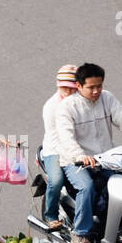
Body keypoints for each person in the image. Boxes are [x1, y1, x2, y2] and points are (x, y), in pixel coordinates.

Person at [54, 62, 122, 243]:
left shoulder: (107, 98)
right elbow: (66, 138)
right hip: (74, 162)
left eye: (99, 86)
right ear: (79, 86)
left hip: (106, 159)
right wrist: (80, 156)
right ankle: (80, 232)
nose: (96, 91)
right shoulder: (67, 107)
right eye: (91, 87)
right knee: (87, 187)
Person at [40, 64, 76, 231]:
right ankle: (51, 215)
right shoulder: (51, 107)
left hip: (76, 149)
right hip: (54, 151)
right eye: (64, 87)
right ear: (58, 85)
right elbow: (55, 138)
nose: (68, 91)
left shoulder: (80, 102)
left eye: (72, 88)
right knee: (56, 181)